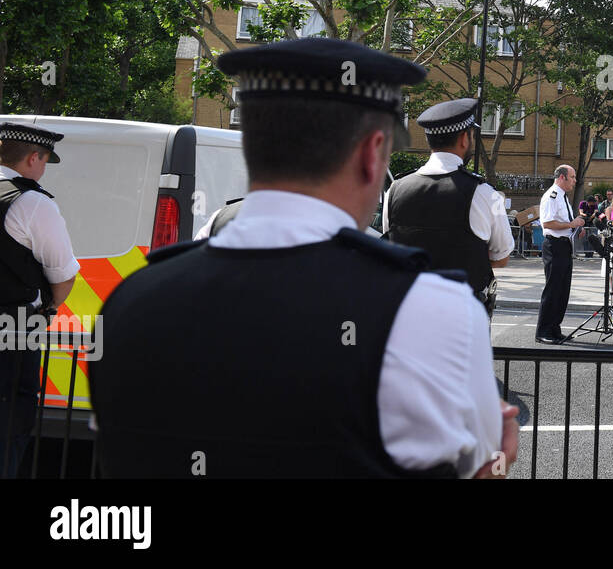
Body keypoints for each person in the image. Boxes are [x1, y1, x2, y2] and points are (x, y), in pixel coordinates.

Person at [90, 38, 516, 478]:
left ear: (252, 146)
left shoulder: (127, 303)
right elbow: (476, 465)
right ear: (372, 155)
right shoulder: (436, 311)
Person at [383, 97, 513, 316]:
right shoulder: (484, 194)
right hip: (462, 314)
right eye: (472, 135)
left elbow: (392, 242)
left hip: (407, 310)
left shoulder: (395, 189)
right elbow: (501, 257)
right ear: (464, 139)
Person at [0, 123, 79, 478]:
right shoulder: (31, 202)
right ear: (34, 158)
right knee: (9, 425)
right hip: (12, 332)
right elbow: (62, 275)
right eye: (45, 161)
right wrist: (47, 310)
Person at [537, 165, 584, 344]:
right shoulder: (552, 195)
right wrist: (572, 225)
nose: (575, 180)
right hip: (554, 246)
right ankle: (543, 331)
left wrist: (575, 228)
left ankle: (554, 328)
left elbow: (564, 223)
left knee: (563, 291)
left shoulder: (563, 196)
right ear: (562, 177)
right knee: (553, 289)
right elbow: (548, 223)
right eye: (572, 177)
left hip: (564, 246)